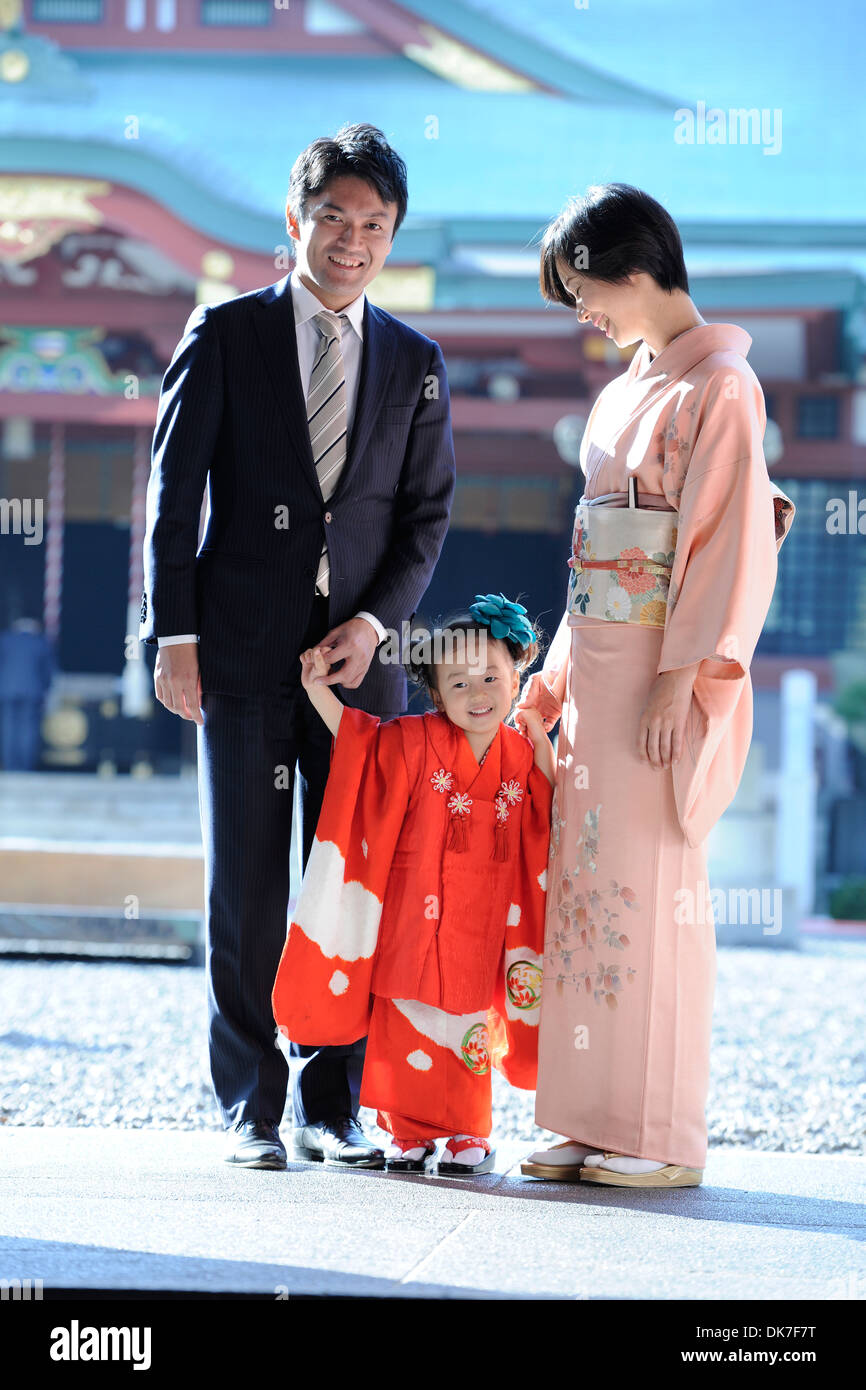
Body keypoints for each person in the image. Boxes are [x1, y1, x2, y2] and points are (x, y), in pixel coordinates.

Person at [140, 124, 456, 1170]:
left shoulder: (415, 361)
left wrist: (373, 626)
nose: (351, 240)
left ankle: (333, 1103)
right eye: (333, 218)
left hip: (358, 674)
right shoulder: (224, 334)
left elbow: (425, 517)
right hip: (233, 654)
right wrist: (172, 633)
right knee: (245, 882)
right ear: (294, 220)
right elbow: (172, 494)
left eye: (372, 224)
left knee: (349, 883)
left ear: (393, 234)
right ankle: (248, 1104)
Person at [514, 184, 795, 1188]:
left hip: (658, 669)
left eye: (582, 291)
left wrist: (682, 678)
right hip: (595, 664)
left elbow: (722, 547)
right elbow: (592, 555)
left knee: (650, 893)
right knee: (584, 899)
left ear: (634, 269)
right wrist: (546, 684)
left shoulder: (720, 386)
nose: (580, 313)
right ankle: (585, 1117)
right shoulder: (627, 385)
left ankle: (659, 1133)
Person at [272, 594, 555, 1175]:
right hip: (411, 911)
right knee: (403, 1018)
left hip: (480, 920)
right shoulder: (413, 739)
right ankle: (406, 1132)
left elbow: (551, 809)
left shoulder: (521, 753)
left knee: (467, 1025)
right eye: (458, 684)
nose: (478, 694)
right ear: (435, 693)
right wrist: (315, 690)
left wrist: (540, 736)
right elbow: (360, 743)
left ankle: (465, 1134)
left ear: (515, 673)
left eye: (491, 677)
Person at [0, 617, 54, 771]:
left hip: (6, 691)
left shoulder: (5, 640)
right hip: (32, 691)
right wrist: (45, 689)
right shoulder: (40, 642)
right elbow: (48, 672)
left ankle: (10, 765)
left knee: (8, 729)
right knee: (28, 730)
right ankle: (25, 766)